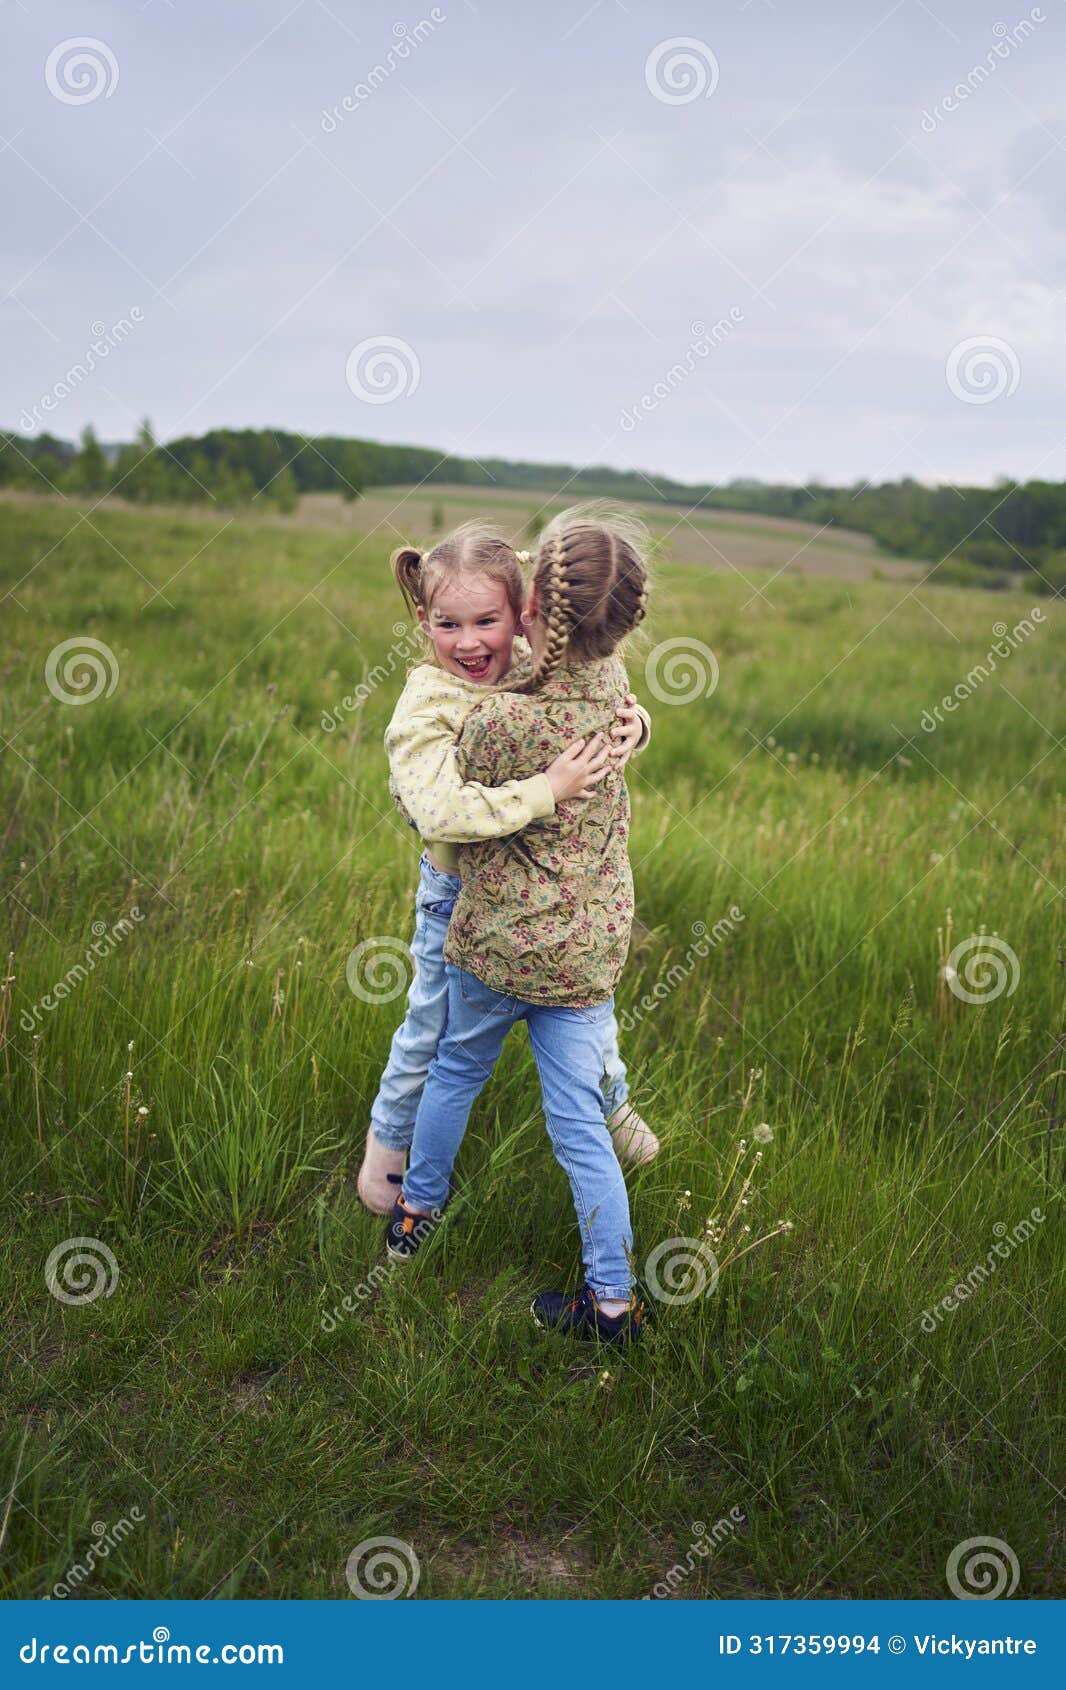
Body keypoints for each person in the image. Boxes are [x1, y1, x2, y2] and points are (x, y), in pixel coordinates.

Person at [385, 506, 652, 1346]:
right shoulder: (614, 696)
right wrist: (639, 727)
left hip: (497, 948)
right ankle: (613, 1305)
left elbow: (436, 798)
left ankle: (414, 1214)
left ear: (534, 608)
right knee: (581, 1132)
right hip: (586, 956)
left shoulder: (497, 723)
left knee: (455, 1071)